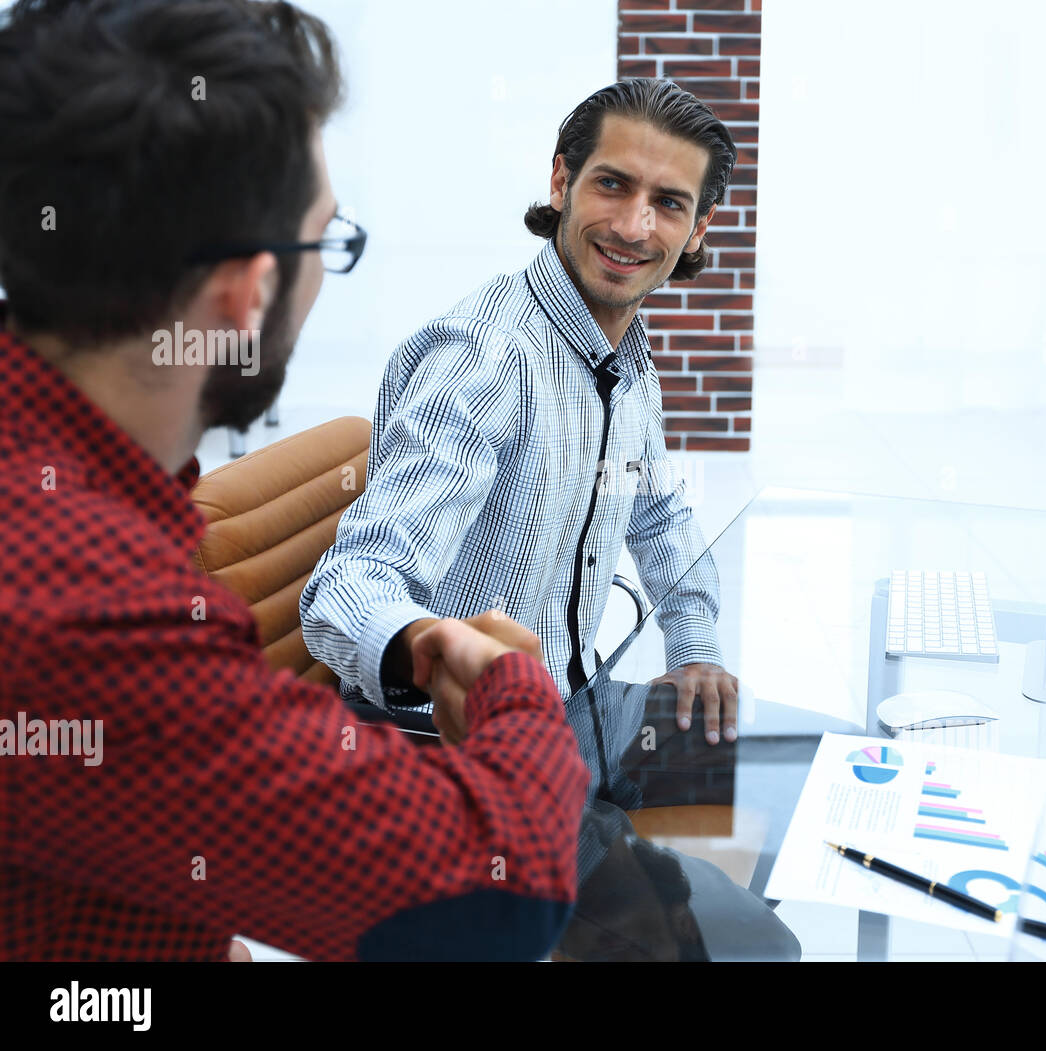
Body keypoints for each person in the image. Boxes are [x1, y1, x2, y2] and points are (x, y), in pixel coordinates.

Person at [0, 0, 586, 962]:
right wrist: (515, 687)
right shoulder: (90, 614)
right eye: (327, 242)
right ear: (246, 292)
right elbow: (504, 894)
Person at [302, 79, 743, 745]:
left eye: (668, 203)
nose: (632, 226)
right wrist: (432, 649)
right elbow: (347, 586)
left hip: (568, 713)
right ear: (562, 182)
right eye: (613, 185)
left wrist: (695, 644)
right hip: (444, 748)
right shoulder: (490, 357)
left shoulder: (627, 355)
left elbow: (658, 512)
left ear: (696, 229)